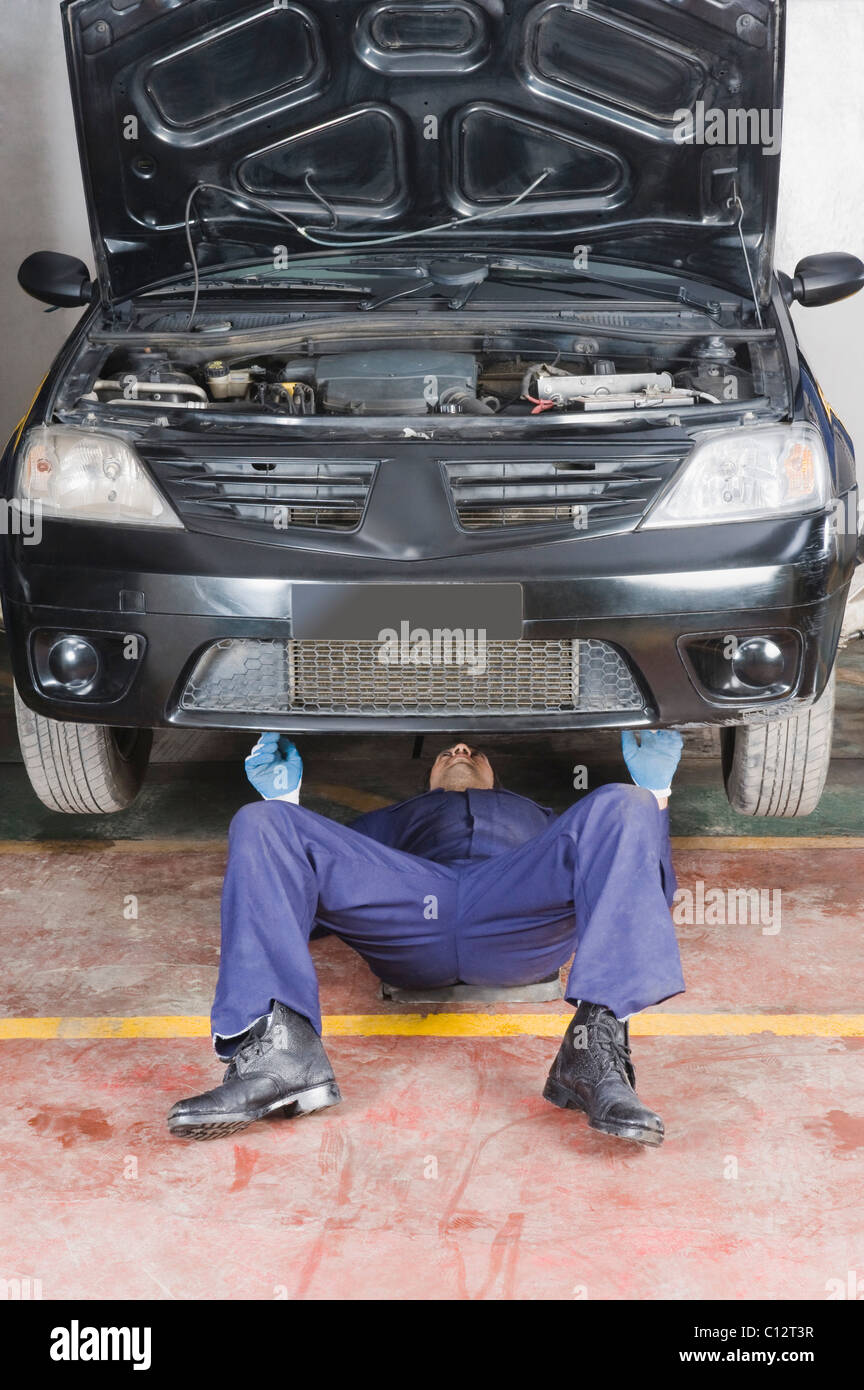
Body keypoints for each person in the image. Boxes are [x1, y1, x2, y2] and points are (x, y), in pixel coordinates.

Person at [168, 731, 685, 1146]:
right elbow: (306, 909)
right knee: (261, 821)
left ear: (495, 776)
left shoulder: (547, 820)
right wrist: (284, 804)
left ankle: (593, 1052)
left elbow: (642, 896)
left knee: (622, 802)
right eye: (447, 751)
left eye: (474, 750)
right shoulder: (385, 823)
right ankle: (278, 1053)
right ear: (428, 777)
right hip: (412, 907)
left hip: (517, 908)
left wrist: (654, 800)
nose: (461, 750)